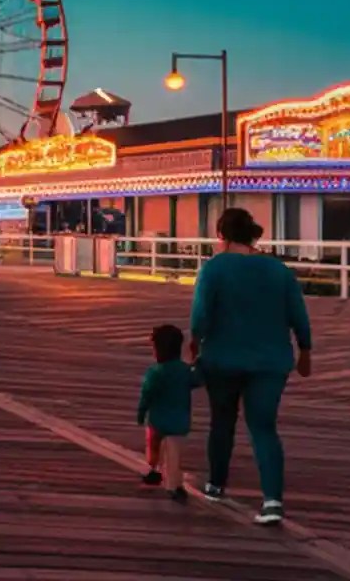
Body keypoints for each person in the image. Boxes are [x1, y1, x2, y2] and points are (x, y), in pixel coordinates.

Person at [190, 207, 312, 526]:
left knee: (222, 422)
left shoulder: (214, 268)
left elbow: (201, 313)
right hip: (271, 361)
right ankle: (272, 500)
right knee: (264, 428)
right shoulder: (278, 270)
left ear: (223, 237)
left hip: (222, 357)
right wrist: (305, 349)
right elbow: (298, 313)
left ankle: (216, 484)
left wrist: (194, 342)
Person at [137, 324, 200, 503]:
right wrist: (198, 363)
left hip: (157, 419)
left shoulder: (154, 373)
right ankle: (174, 485)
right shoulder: (184, 371)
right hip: (179, 420)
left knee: (153, 445)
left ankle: (153, 469)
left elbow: (146, 394)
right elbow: (197, 380)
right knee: (174, 453)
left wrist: (141, 412)